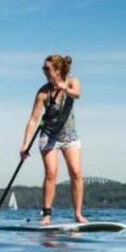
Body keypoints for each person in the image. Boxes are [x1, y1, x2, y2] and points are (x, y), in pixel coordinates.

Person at [20, 54, 86, 225]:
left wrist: (63, 88)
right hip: (49, 135)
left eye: (47, 68)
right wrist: (25, 145)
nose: (44, 71)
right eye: (44, 68)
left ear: (57, 70)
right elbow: (33, 120)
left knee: (76, 173)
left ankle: (78, 214)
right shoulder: (43, 92)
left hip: (69, 136)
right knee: (51, 173)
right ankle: (47, 215)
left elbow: (77, 94)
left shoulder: (72, 82)